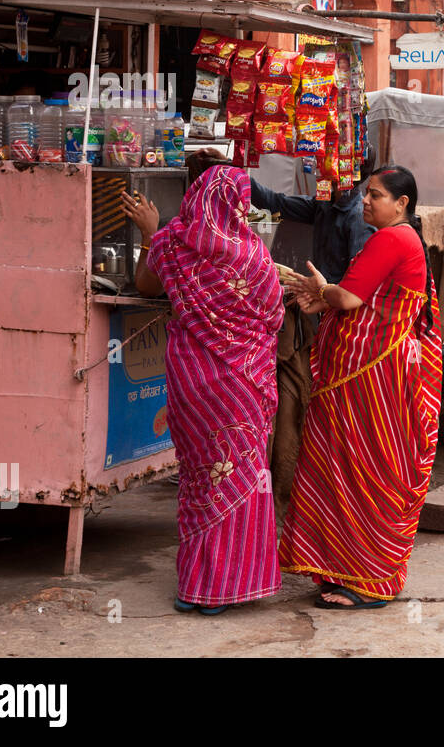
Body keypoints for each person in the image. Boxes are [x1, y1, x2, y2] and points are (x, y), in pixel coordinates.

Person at [121, 167, 284, 615]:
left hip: (192, 380)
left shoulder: (174, 240)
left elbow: (146, 285)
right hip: (241, 385)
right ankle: (222, 588)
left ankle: (193, 584)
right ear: (238, 205)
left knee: (198, 477)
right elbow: (273, 318)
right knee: (237, 476)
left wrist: (149, 234)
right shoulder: (253, 257)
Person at [277, 167, 441, 609]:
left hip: (371, 381)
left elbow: (349, 299)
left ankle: (367, 579)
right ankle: (344, 569)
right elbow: (362, 299)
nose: (365, 201)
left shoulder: (392, 239)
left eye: (376, 195)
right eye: (366, 194)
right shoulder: (402, 239)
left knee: (362, 470)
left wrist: (324, 290)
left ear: (401, 204)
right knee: (349, 470)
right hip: (373, 377)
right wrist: (326, 295)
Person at [247, 145, 375, 525]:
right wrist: (233, 171)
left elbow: (357, 290)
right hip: (321, 311)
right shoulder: (326, 203)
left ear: (348, 172)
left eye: (326, 166)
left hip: (339, 321)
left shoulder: (357, 219)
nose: (319, 171)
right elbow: (274, 201)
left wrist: (321, 293)